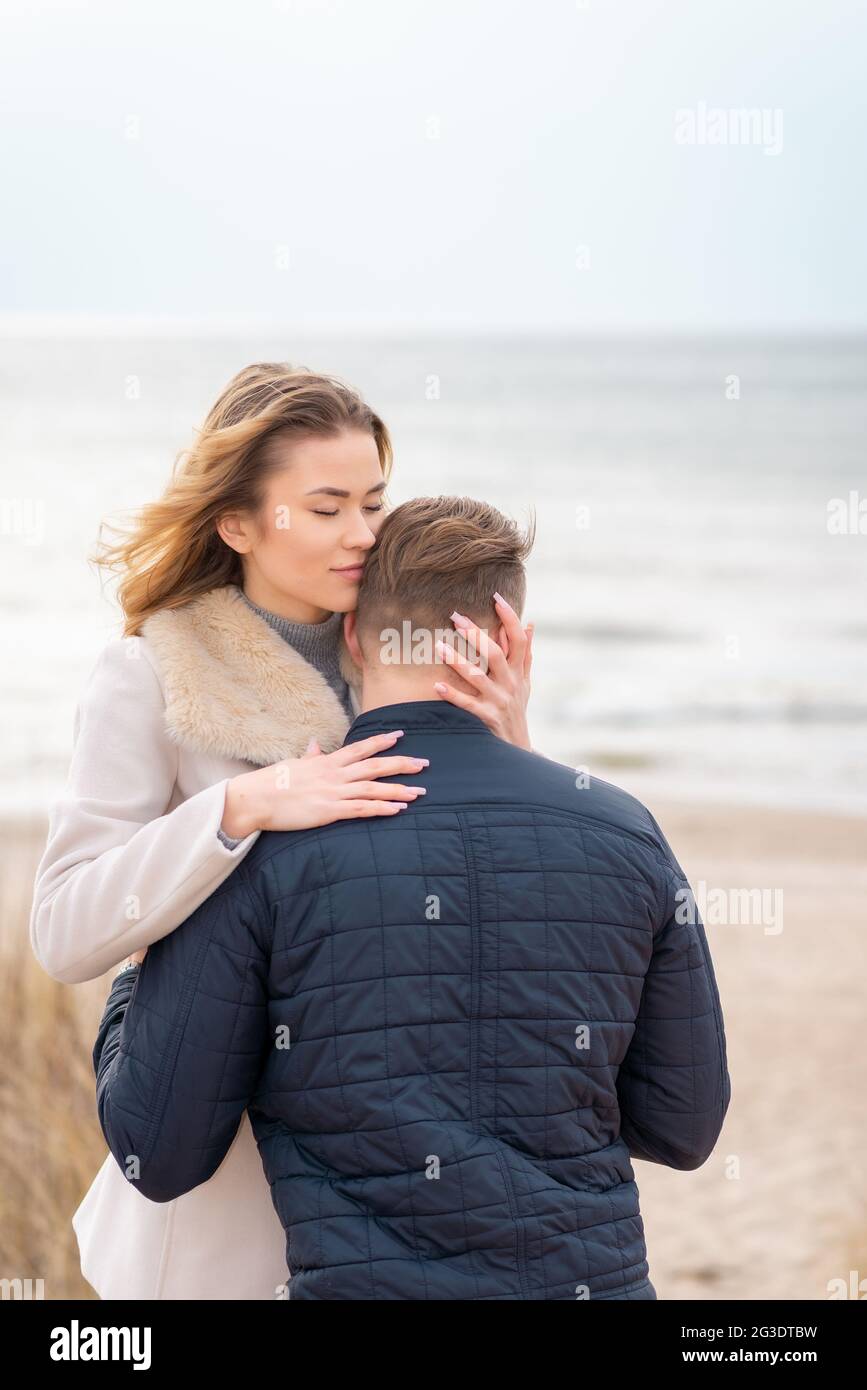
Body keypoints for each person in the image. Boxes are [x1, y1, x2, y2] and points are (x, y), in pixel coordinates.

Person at [91, 494, 732, 1301]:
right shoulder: (624, 833)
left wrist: (137, 972)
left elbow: (160, 1151)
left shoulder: (265, 844)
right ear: (505, 644)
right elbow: (682, 1128)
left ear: (352, 635)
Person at [28, 364, 534, 1300]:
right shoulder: (150, 673)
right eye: (328, 506)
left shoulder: (418, 659)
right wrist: (240, 808)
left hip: (396, 1195)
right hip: (222, 1201)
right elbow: (65, 929)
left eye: (375, 502)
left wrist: (511, 749)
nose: (364, 535)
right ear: (238, 523)